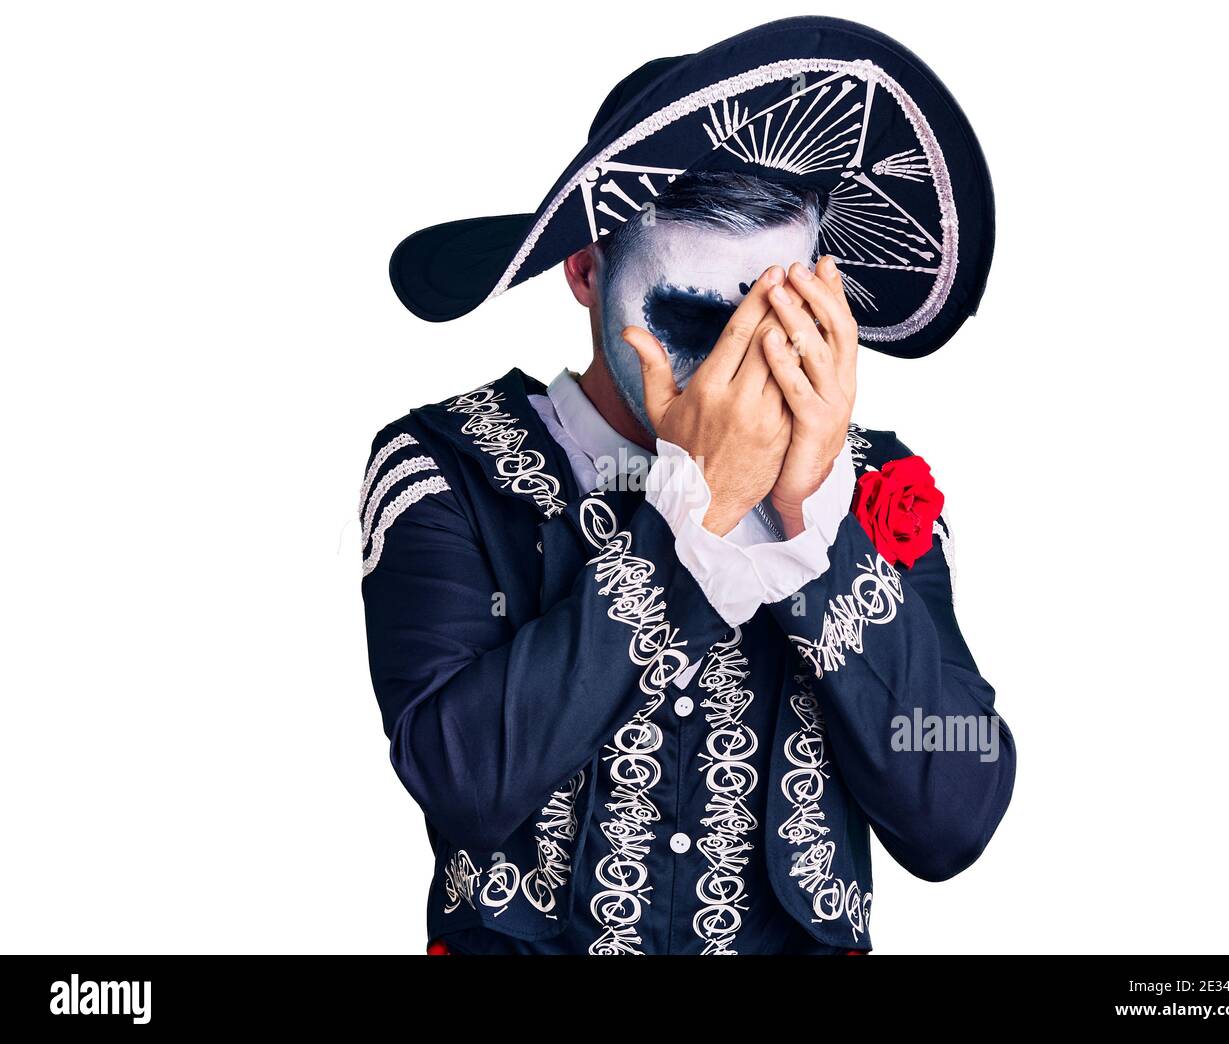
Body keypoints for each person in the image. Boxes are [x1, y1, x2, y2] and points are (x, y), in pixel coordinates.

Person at [361, 16, 1014, 954]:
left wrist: (816, 518)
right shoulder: (444, 466)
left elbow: (954, 808)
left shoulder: (872, 485)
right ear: (585, 272)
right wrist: (691, 519)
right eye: (698, 317)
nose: (744, 368)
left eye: (782, 317)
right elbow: (460, 780)